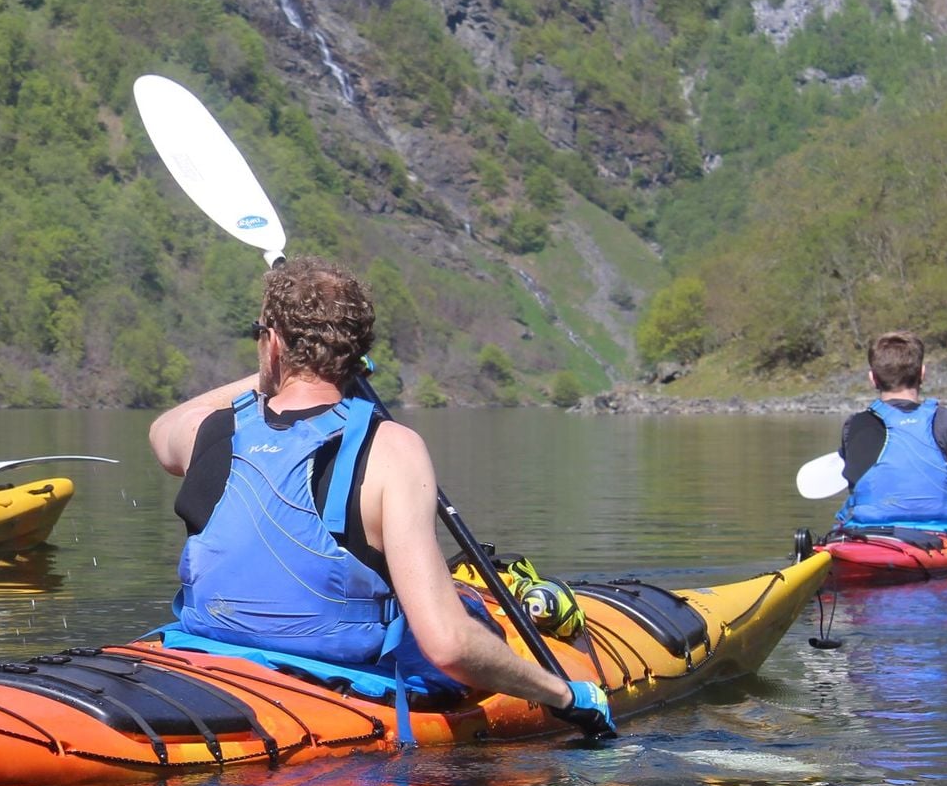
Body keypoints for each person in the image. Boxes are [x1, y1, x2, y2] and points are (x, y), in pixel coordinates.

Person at [147, 257, 612, 736]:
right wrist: (564, 695)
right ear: (357, 350)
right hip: (334, 678)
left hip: (204, 655)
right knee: (469, 618)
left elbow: (162, 430)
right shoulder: (393, 449)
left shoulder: (208, 432)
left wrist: (272, 366)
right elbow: (448, 645)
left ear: (274, 343)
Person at [835, 331, 947, 530]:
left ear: (873, 378)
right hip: (940, 535)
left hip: (869, 534)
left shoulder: (853, 426)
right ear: (922, 373)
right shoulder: (945, 421)